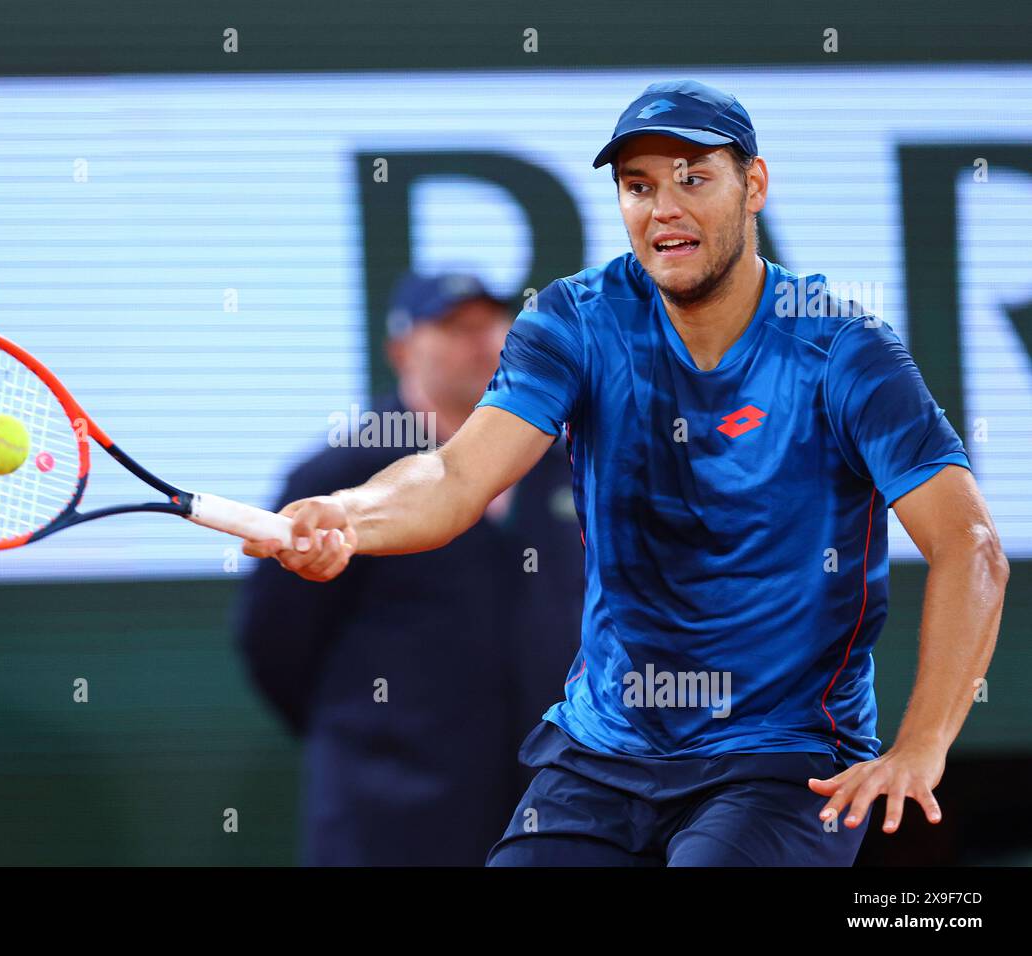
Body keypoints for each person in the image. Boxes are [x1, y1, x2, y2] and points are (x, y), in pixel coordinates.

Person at [242, 80, 1009, 867]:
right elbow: (455, 477)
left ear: (755, 186)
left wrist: (922, 745)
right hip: (602, 754)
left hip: (784, 758)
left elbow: (970, 543)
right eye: (638, 187)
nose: (663, 209)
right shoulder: (575, 321)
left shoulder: (844, 350)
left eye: (692, 177)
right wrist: (347, 514)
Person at [236, 271, 584, 866]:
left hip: (550, 811)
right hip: (392, 822)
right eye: (455, 327)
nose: (483, 342)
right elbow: (275, 643)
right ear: (401, 349)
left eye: (493, 323)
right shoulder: (333, 478)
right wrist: (374, 745)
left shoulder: (567, 464)